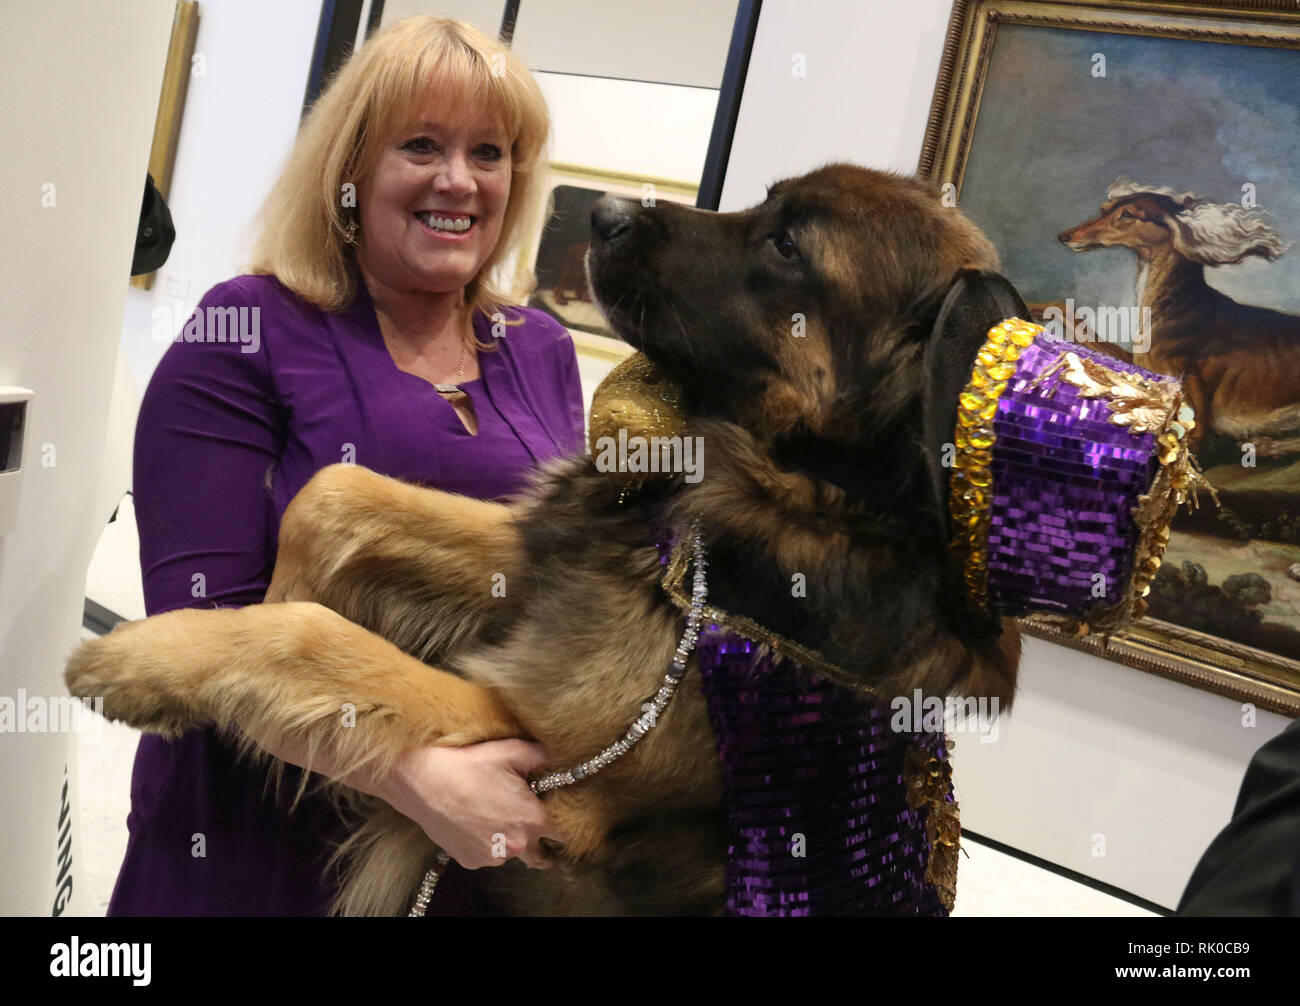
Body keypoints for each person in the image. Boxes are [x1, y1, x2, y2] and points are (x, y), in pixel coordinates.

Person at [108, 16, 584, 916]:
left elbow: (561, 594)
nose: (459, 180)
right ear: (352, 174)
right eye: (421, 145)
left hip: (469, 868)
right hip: (262, 851)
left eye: (489, 150)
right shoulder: (244, 333)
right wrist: (419, 779)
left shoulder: (542, 349)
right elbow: (205, 645)